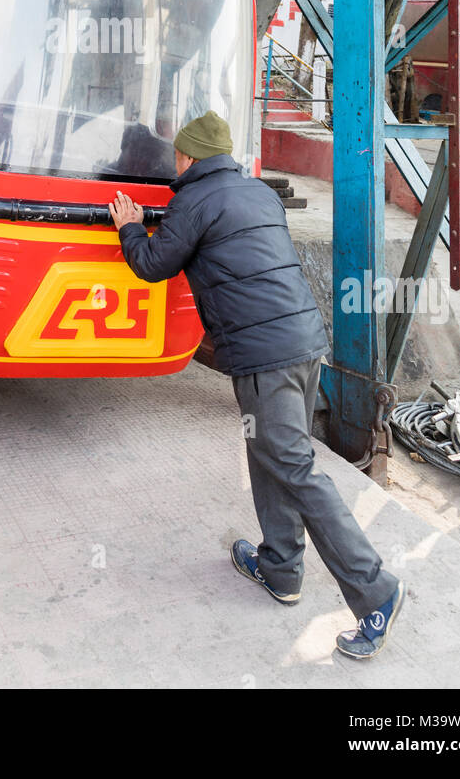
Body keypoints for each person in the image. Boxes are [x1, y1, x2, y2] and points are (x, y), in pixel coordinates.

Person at [108, 110, 405, 661]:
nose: (174, 161)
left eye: (177, 154)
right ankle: (281, 568)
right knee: (269, 453)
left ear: (190, 159)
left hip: (263, 356)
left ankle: (375, 590)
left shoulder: (192, 203)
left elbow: (152, 264)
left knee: (293, 467)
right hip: (303, 342)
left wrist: (128, 223)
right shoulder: (261, 194)